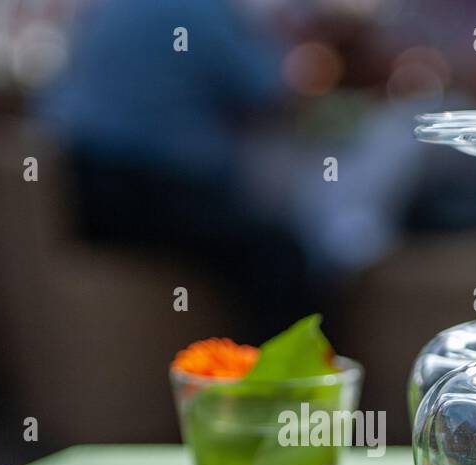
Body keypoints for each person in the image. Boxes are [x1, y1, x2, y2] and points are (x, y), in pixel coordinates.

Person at [36, 0, 315, 338]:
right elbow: (270, 94)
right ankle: (273, 385)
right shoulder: (200, 11)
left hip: (80, 187)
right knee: (281, 256)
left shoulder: (111, 7)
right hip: (147, 191)